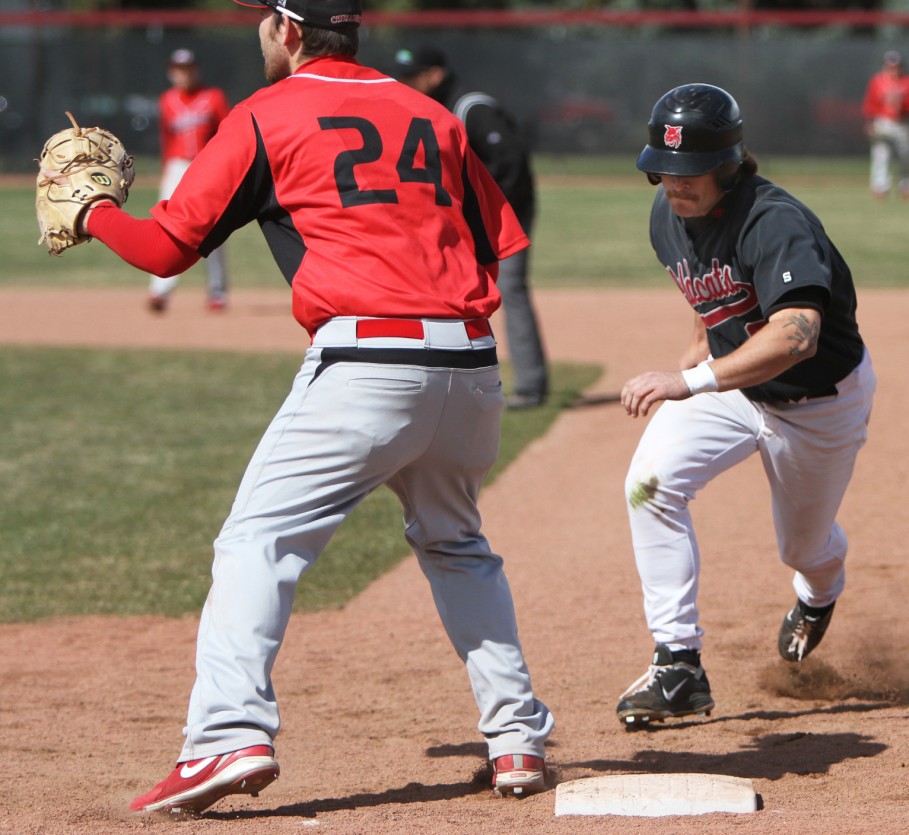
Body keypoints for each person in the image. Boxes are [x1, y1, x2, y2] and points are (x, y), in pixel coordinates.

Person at [81, 0, 554, 813]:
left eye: (263, 18)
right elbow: (497, 239)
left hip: (368, 361)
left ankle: (227, 736)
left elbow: (165, 247)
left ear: (290, 31)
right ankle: (516, 738)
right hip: (471, 363)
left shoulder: (265, 113)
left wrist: (94, 214)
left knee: (256, 542)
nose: (258, 31)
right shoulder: (431, 113)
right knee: (458, 544)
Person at [614, 83, 876, 730]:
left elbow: (797, 335)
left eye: (689, 171)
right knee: (648, 486)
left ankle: (818, 596)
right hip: (732, 386)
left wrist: (693, 380)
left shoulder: (773, 220)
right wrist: (699, 345)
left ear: (729, 165)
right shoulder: (666, 216)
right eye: (663, 169)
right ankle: (678, 664)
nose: (673, 183)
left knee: (803, 547)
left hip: (816, 403)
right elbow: (709, 293)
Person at [393, 45, 549, 410]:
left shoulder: (471, 108)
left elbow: (510, 162)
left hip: (504, 218)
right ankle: (453, 383)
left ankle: (530, 385)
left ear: (435, 75)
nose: (406, 84)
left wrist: (490, 217)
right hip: (473, 219)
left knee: (510, 288)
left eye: (413, 76)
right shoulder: (438, 109)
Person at [148, 48, 231, 313]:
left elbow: (229, 135)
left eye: (188, 68)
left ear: (196, 70)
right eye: (178, 69)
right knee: (166, 229)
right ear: (171, 72)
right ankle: (160, 289)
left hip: (207, 167)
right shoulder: (167, 100)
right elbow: (166, 139)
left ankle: (217, 291)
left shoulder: (213, 98)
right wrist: (166, 171)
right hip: (177, 166)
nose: (183, 74)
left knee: (213, 231)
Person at [861, 50, 909, 201]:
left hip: (901, 123)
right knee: (881, 155)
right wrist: (869, 122)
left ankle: (906, 187)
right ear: (885, 65)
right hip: (882, 122)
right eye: (890, 65)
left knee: (905, 157)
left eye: (896, 65)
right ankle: (880, 188)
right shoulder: (877, 81)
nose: (893, 68)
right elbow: (870, 102)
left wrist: (904, 105)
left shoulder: (908, 81)